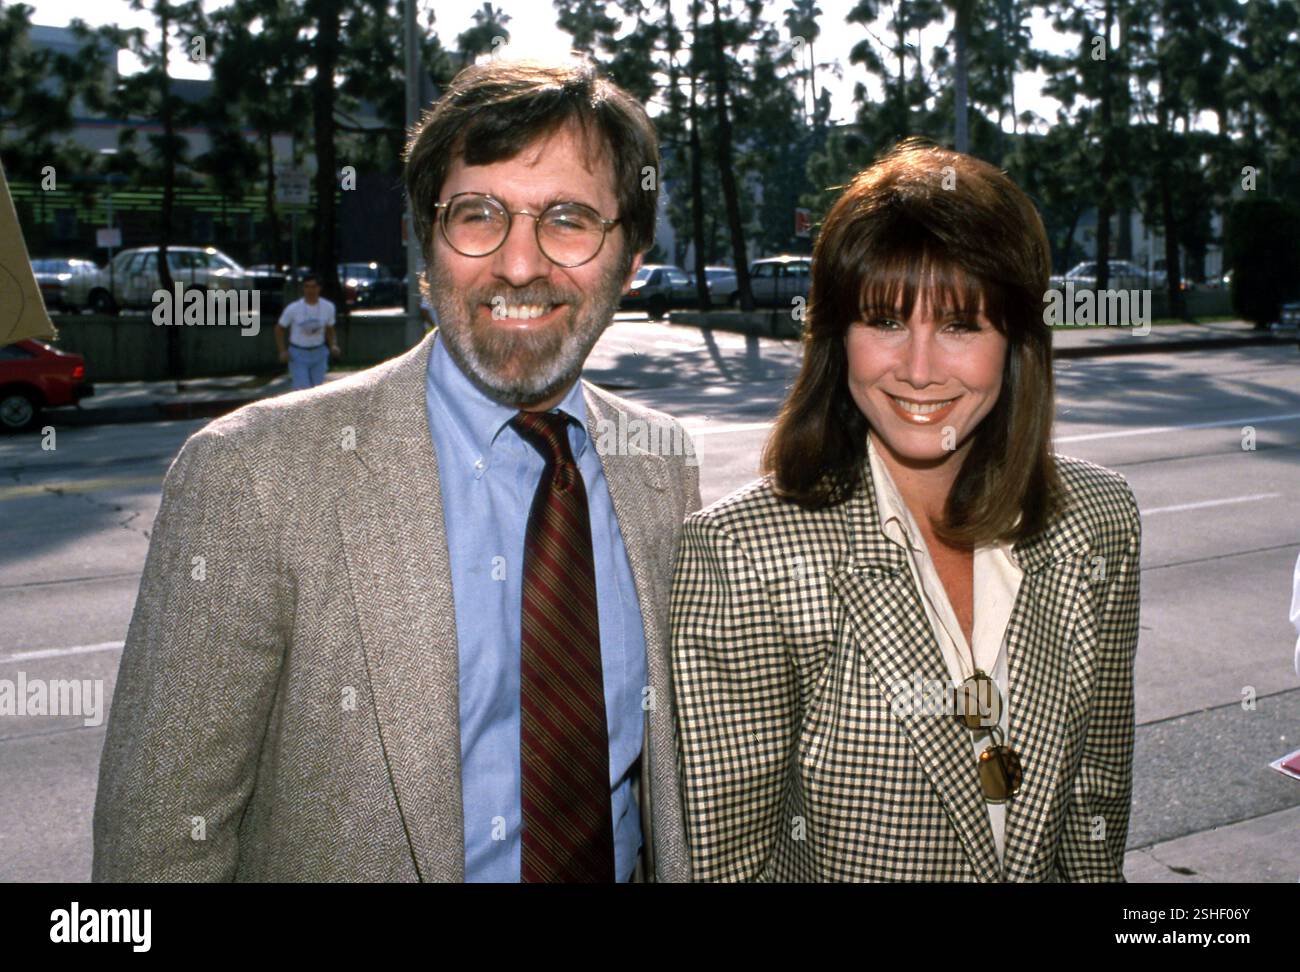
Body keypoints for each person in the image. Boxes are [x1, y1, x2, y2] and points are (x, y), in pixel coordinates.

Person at [93, 57, 699, 883]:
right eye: (478, 215)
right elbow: (158, 852)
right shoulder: (247, 478)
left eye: (568, 220)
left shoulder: (663, 468)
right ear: (427, 249)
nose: (519, 266)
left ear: (630, 261)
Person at [671, 138, 1142, 882]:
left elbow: (1094, 810)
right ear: (838, 338)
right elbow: (731, 867)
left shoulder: (1100, 518)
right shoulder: (742, 557)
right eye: (886, 321)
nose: (919, 369)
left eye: (960, 325)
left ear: (1016, 342)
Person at [274, 272, 339, 389]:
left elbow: (330, 328)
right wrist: (282, 351)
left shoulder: (328, 307)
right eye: (307, 287)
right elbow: (279, 329)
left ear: (319, 288)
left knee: (317, 390)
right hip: (298, 353)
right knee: (302, 391)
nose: (310, 290)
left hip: (319, 352)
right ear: (303, 288)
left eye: (314, 287)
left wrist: (333, 345)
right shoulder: (293, 308)